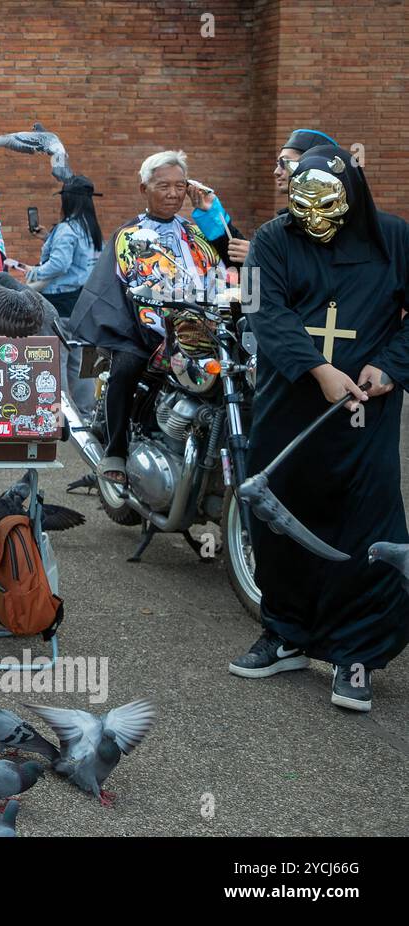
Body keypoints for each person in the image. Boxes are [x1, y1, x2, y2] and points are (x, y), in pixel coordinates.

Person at [229, 145, 409, 712]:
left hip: (365, 412)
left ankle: (356, 656)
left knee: (366, 531)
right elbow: (264, 310)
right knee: (279, 522)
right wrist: (316, 368)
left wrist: (394, 364)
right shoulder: (270, 240)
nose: (316, 223)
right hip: (289, 405)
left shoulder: (394, 238)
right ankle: (285, 633)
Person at [70, 150, 224, 485]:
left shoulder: (195, 233)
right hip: (144, 329)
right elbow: (135, 282)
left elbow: (221, 268)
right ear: (144, 189)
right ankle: (116, 449)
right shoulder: (131, 235)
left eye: (180, 186)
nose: (173, 194)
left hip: (200, 328)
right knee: (125, 368)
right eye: (164, 186)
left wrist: (211, 213)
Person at [224, 128, 342, 265]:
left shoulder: (336, 221)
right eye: (277, 164)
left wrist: (262, 256)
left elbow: (321, 275)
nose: (276, 172)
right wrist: (211, 212)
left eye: (284, 163)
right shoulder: (286, 221)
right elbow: (247, 272)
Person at [24, 176, 103, 319]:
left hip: (59, 298)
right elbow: (78, 256)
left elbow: (59, 264)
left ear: (67, 200)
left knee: (56, 339)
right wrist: (49, 238)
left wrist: (35, 272)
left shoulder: (66, 229)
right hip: (81, 294)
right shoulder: (91, 228)